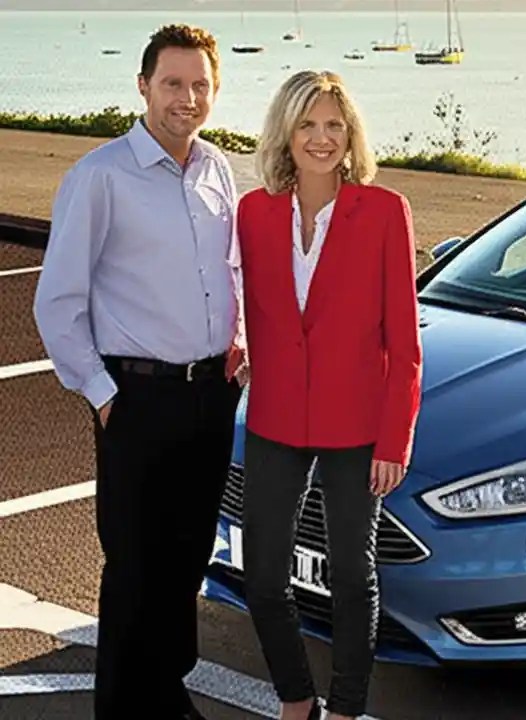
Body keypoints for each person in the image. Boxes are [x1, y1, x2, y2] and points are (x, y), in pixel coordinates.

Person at [32, 24, 247, 719]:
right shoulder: (100, 177)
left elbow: (230, 275)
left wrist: (239, 342)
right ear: (143, 87)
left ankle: (165, 690)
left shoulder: (218, 168)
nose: (188, 98)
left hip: (211, 396)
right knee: (134, 568)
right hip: (136, 399)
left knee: (186, 560)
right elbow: (57, 300)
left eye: (201, 85)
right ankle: (123, 708)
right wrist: (101, 394)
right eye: (173, 83)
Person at [232, 69, 423, 720]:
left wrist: (395, 437)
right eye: (308, 125)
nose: (321, 139)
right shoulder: (253, 213)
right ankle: (296, 698)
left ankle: (343, 709)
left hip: (358, 424)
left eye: (334, 126)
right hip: (276, 416)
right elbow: (238, 302)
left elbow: (404, 339)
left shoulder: (384, 212)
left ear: (351, 135)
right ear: (285, 132)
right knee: (261, 577)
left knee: (350, 577)